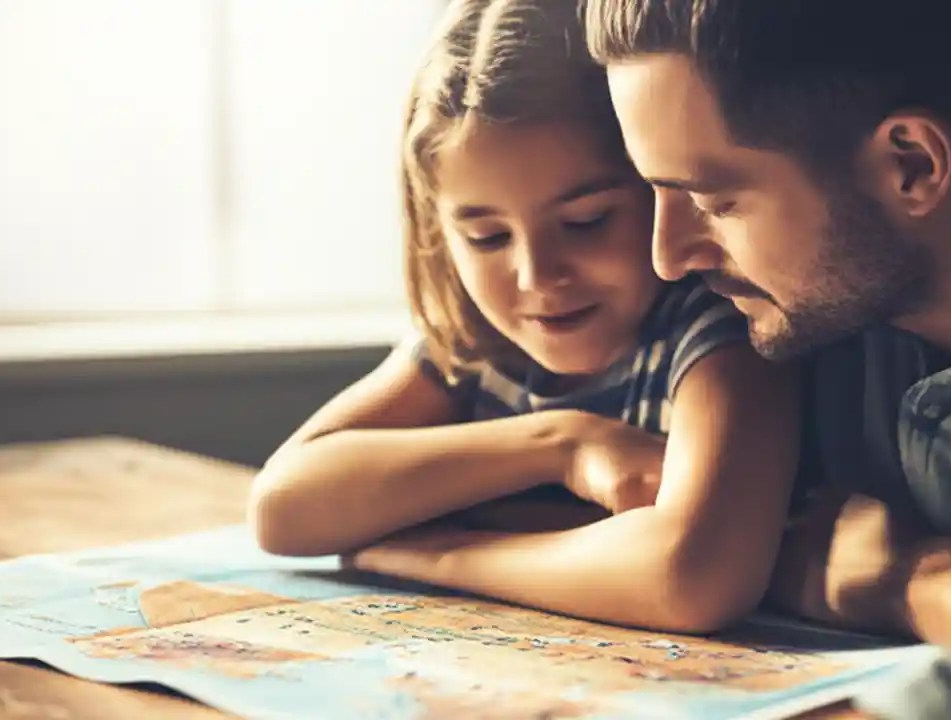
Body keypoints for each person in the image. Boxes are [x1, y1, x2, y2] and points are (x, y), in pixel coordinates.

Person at [584, 0, 951, 715]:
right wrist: (558, 444)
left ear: (911, 164)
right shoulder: (792, 301)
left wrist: (906, 577)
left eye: (715, 201)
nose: (667, 257)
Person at [247, 0, 804, 634]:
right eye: (486, 237)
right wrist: (563, 445)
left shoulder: (720, 327)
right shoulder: (475, 345)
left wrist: (436, 552)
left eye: (586, 222)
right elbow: (282, 506)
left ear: (660, 182)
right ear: (438, 232)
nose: (538, 277)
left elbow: (692, 579)